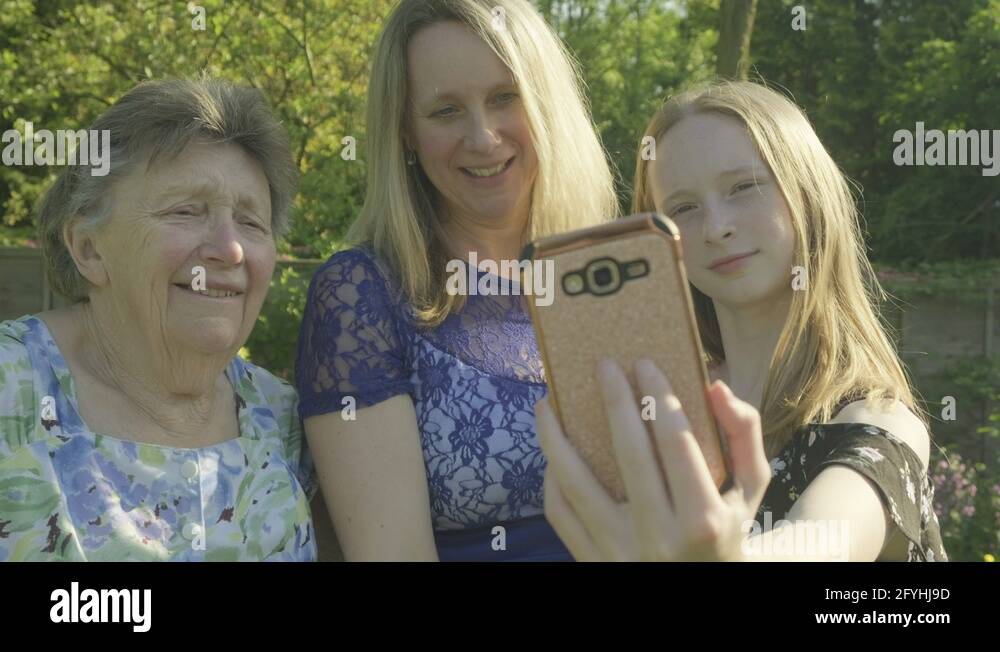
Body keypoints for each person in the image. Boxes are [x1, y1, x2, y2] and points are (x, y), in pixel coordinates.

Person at [537, 80, 948, 561]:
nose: (716, 227)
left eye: (744, 187)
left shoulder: (877, 422)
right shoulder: (665, 410)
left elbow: (817, 545)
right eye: (683, 208)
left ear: (809, 195)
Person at [296, 0, 619, 561]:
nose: (484, 137)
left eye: (504, 97)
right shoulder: (361, 295)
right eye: (446, 111)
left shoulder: (611, 272)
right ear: (406, 133)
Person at [0, 78, 316, 561]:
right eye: (187, 211)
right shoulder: (11, 389)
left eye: (252, 223)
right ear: (89, 249)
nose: (230, 248)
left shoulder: (287, 421)